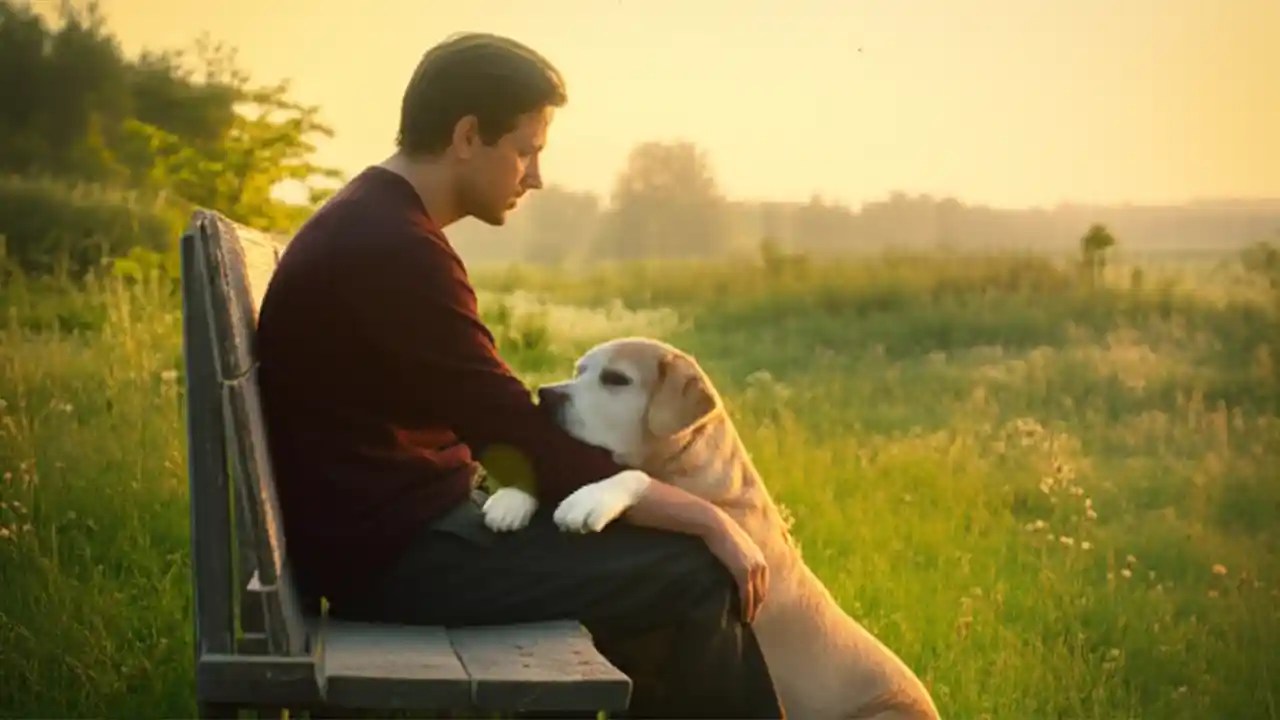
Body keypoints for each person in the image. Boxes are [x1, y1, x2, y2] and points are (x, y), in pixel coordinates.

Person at [255, 31, 784, 718]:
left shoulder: (376, 225)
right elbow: (525, 444)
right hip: (401, 565)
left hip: (406, 536)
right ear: (469, 135)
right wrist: (710, 522)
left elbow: (499, 426)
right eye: (527, 151)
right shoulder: (395, 251)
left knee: (653, 565)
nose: (535, 177)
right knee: (693, 576)